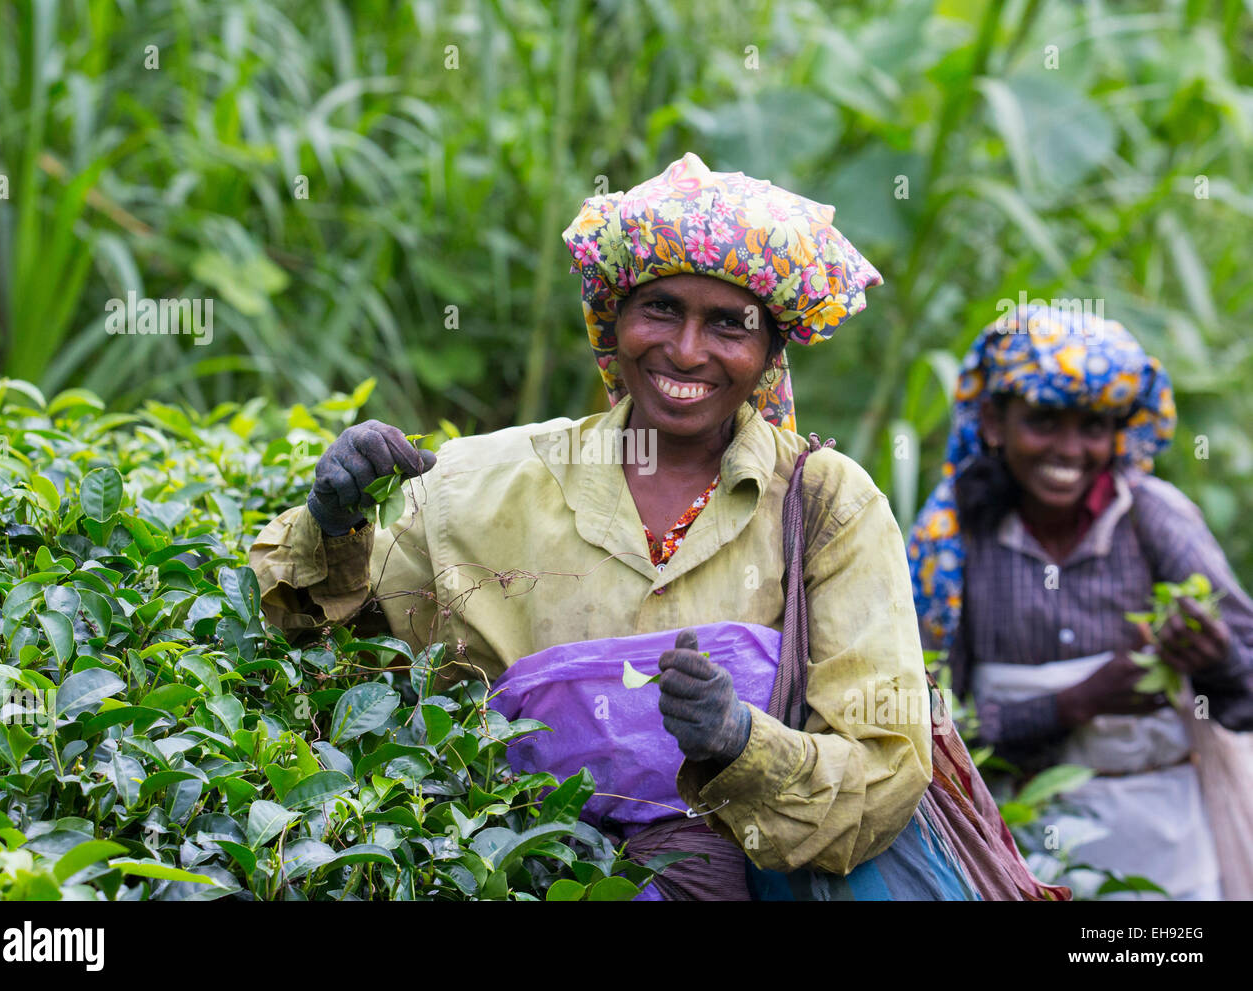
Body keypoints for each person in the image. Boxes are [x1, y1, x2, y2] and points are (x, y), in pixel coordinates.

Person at [250, 152, 934, 899]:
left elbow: (886, 768)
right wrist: (335, 520)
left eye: (728, 324)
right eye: (661, 309)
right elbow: (339, 666)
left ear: (772, 349)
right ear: (613, 320)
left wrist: (743, 743)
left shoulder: (829, 506)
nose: (686, 349)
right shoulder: (481, 485)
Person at [906, 304, 1253, 899]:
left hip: (1168, 844)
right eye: (1044, 420)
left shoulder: (1154, 518)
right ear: (993, 420)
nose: (1070, 450)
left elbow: (1245, 695)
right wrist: (1075, 703)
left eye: (1093, 426)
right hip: (1013, 842)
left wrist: (1216, 660)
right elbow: (920, 734)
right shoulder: (951, 540)